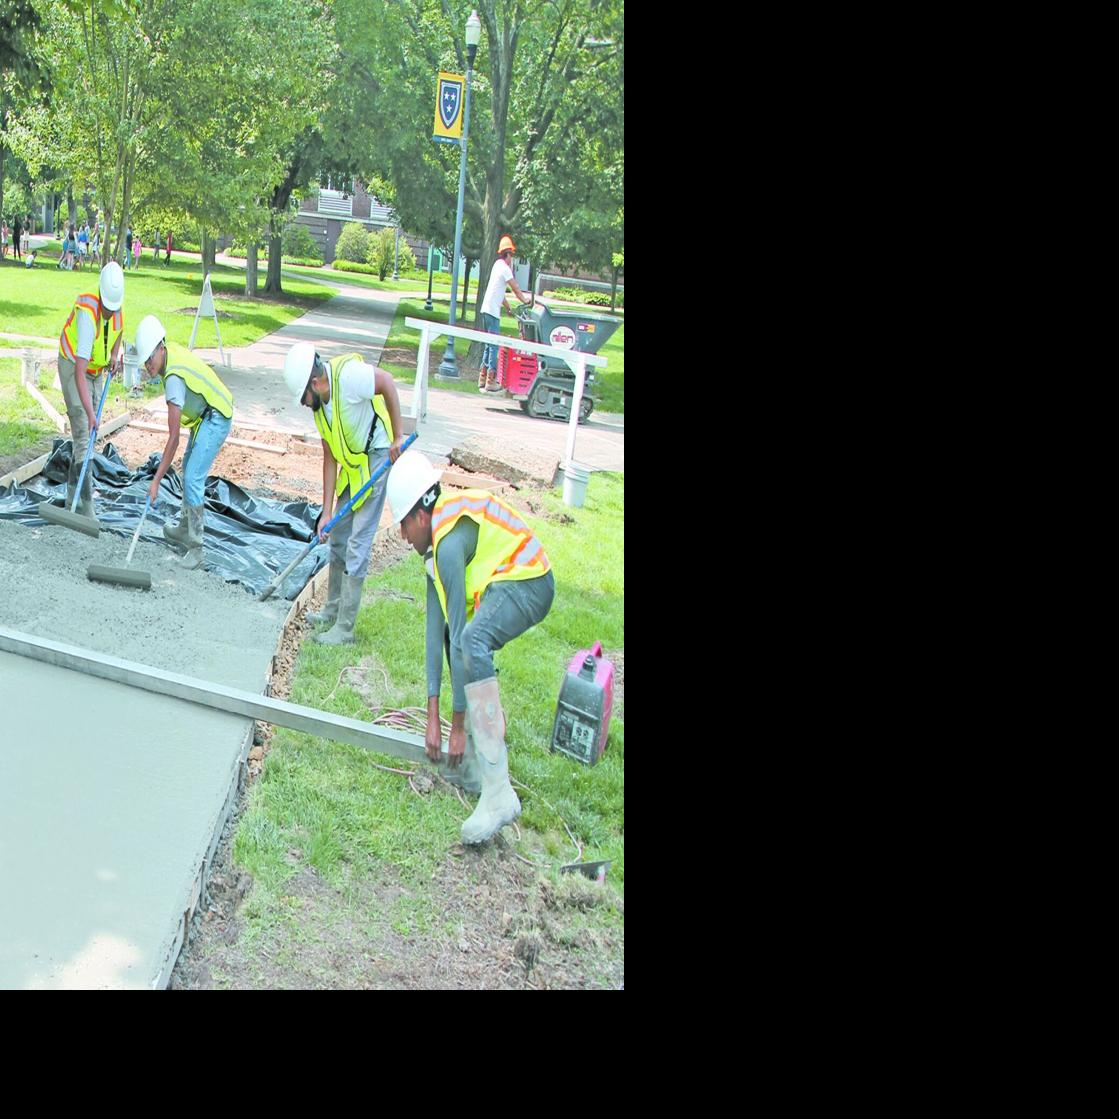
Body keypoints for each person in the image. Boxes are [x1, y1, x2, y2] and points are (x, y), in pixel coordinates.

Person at [387, 449, 555, 844]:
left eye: (403, 526)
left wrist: (456, 726)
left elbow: (464, 638)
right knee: (460, 641)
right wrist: (433, 714)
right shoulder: (437, 544)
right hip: (513, 582)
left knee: (472, 642)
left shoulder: (447, 545)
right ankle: (485, 760)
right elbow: (436, 630)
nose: (402, 536)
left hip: (529, 580)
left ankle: (498, 790)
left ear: (420, 515)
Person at [282, 341, 405, 644]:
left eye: (302, 397)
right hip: (352, 465)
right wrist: (327, 513)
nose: (302, 403)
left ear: (314, 382)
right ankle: (332, 610)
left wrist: (398, 436)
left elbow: (387, 382)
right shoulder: (319, 407)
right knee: (337, 535)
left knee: (358, 542)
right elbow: (329, 456)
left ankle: (345, 628)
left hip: (376, 455)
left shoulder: (349, 376)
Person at [135, 315, 234, 570]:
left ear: (161, 347)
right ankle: (184, 527)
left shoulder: (173, 380)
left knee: (192, 478)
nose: (148, 365)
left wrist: (156, 481)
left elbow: (173, 438)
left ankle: (197, 547)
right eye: (144, 360)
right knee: (188, 467)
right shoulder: (171, 355)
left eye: (150, 358)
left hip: (216, 415)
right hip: (206, 414)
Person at [56, 262, 126, 517]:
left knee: (86, 439)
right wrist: (90, 412)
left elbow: (119, 331)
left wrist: (115, 354)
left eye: (113, 308)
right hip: (73, 364)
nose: (109, 312)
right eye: (106, 307)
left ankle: (72, 497)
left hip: (96, 371)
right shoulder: (88, 313)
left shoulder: (117, 306)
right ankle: (87, 506)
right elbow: (78, 372)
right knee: (84, 430)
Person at [477, 234, 530, 392]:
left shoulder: (496, 265)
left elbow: (498, 292)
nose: (512, 259)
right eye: (512, 255)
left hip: (486, 309)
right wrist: (525, 301)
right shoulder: (505, 268)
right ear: (508, 254)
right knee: (493, 345)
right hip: (492, 312)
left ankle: (482, 376)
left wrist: (507, 307)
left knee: (488, 344)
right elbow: (515, 288)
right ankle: (491, 380)